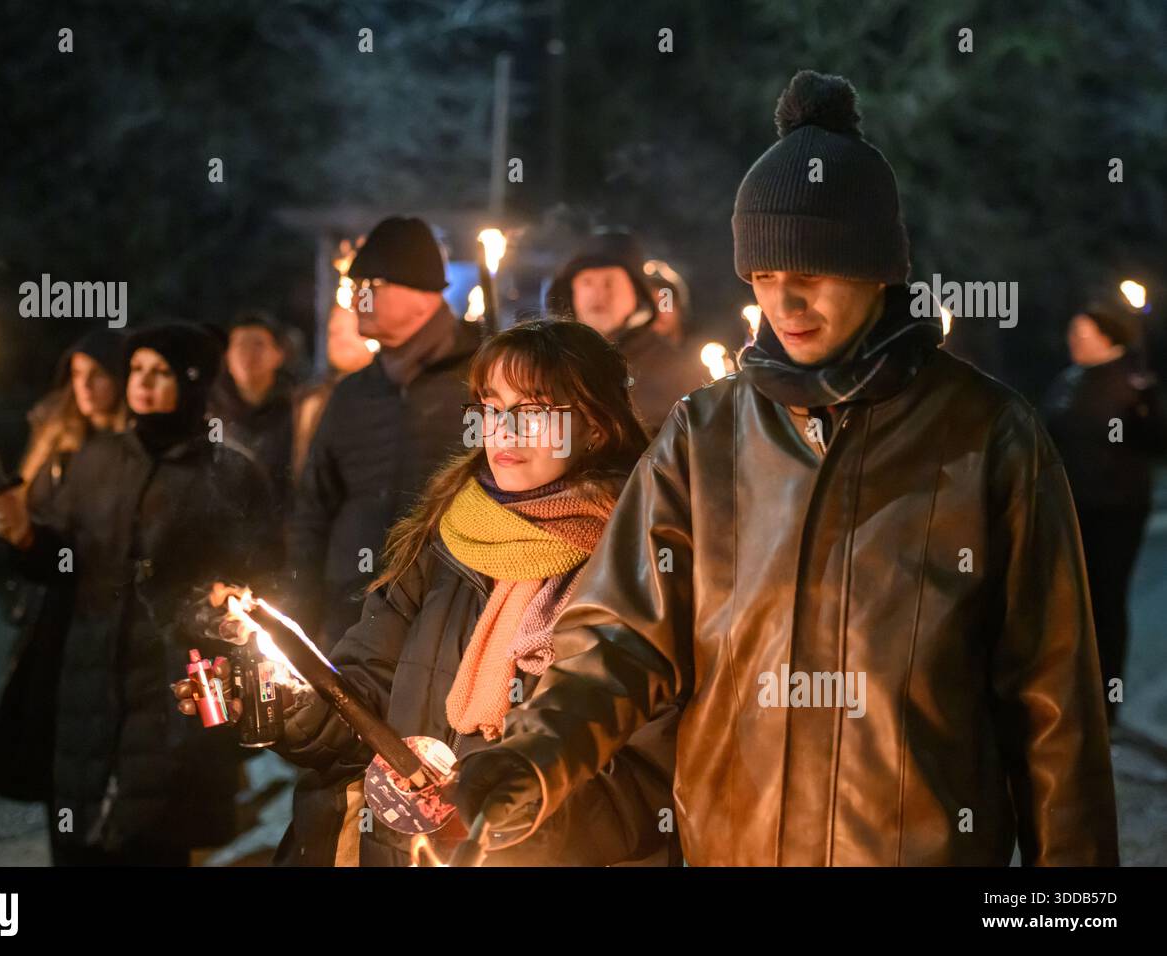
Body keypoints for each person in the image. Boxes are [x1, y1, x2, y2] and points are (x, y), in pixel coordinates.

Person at [451, 70, 1119, 867]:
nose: (786, 305)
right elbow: (622, 640)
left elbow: (1053, 706)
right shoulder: (706, 434)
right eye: (765, 278)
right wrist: (535, 756)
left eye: (812, 274)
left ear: (878, 271)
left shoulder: (988, 436)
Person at [176, 320, 678, 866]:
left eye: (532, 411)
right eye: (491, 406)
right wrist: (285, 703)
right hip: (395, 852)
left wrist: (516, 819)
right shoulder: (445, 539)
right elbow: (362, 706)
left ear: (596, 428)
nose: (503, 429)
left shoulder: (638, 563)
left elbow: (645, 779)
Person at [0, 322, 281, 866]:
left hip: (171, 691)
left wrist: (223, 605)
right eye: (137, 370)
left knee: (152, 844)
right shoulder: (97, 460)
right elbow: (62, 563)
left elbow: (261, 576)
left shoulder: (228, 471)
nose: (142, 383)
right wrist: (25, 536)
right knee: (78, 842)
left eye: (160, 372)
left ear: (192, 382)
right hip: (88, 686)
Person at [287, 216, 481, 649]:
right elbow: (313, 511)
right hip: (349, 619)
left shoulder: (486, 379)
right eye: (356, 284)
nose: (357, 296)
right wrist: (299, 617)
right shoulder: (352, 393)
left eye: (372, 283)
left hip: (447, 619)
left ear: (423, 293)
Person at [0, 330, 128, 806]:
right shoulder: (55, 446)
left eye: (98, 374)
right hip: (55, 614)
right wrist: (7, 521)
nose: (86, 386)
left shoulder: (136, 451)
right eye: (78, 375)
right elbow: (37, 527)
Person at [1043, 301, 1167, 727]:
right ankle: (1070, 688)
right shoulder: (1068, 382)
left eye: (1082, 333)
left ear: (1108, 337)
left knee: (1105, 598)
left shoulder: (1133, 381)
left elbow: (1156, 441)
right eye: (1072, 333)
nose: (1073, 340)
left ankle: (1106, 697)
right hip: (1070, 506)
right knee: (1068, 601)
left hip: (1116, 509)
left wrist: (1147, 403)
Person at [545, 230, 703, 433]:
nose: (598, 293)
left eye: (609, 282)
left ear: (635, 293)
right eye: (587, 282)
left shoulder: (677, 369)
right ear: (571, 293)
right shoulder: (552, 363)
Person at [208, 310, 301, 509]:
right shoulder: (209, 412)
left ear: (279, 355)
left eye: (258, 344)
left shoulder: (297, 411)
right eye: (240, 345)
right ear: (228, 357)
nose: (249, 354)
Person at [290, 302, 375, 481]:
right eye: (334, 332)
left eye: (353, 330)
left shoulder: (389, 394)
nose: (341, 339)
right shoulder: (311, 400)